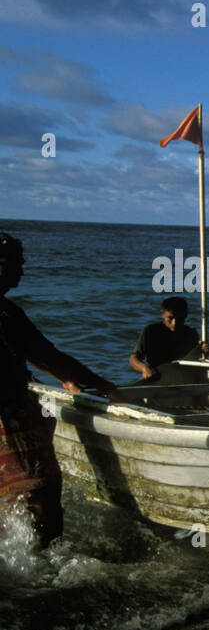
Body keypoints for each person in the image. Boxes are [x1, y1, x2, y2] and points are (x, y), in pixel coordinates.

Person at [0, 231, 122, 546]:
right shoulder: (6, 315)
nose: (21, 270)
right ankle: (48, 559)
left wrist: (72, 378)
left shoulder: (9, 314)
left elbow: (38, 355)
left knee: (12, 497)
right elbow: (48, 356)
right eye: (16, 263)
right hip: (9, 418)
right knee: (43, 492)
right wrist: (103, 385)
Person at [128, 296, 209, 380]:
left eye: (180, 319)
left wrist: (203, 351)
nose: (174, 323)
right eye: (170, 318)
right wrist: (144, 368)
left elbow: (194, 359)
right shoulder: (151, 331)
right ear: (162, 314)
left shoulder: (191, 334)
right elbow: (133, 358)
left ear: (185, 315)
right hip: (158, 377)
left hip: (183, 377)